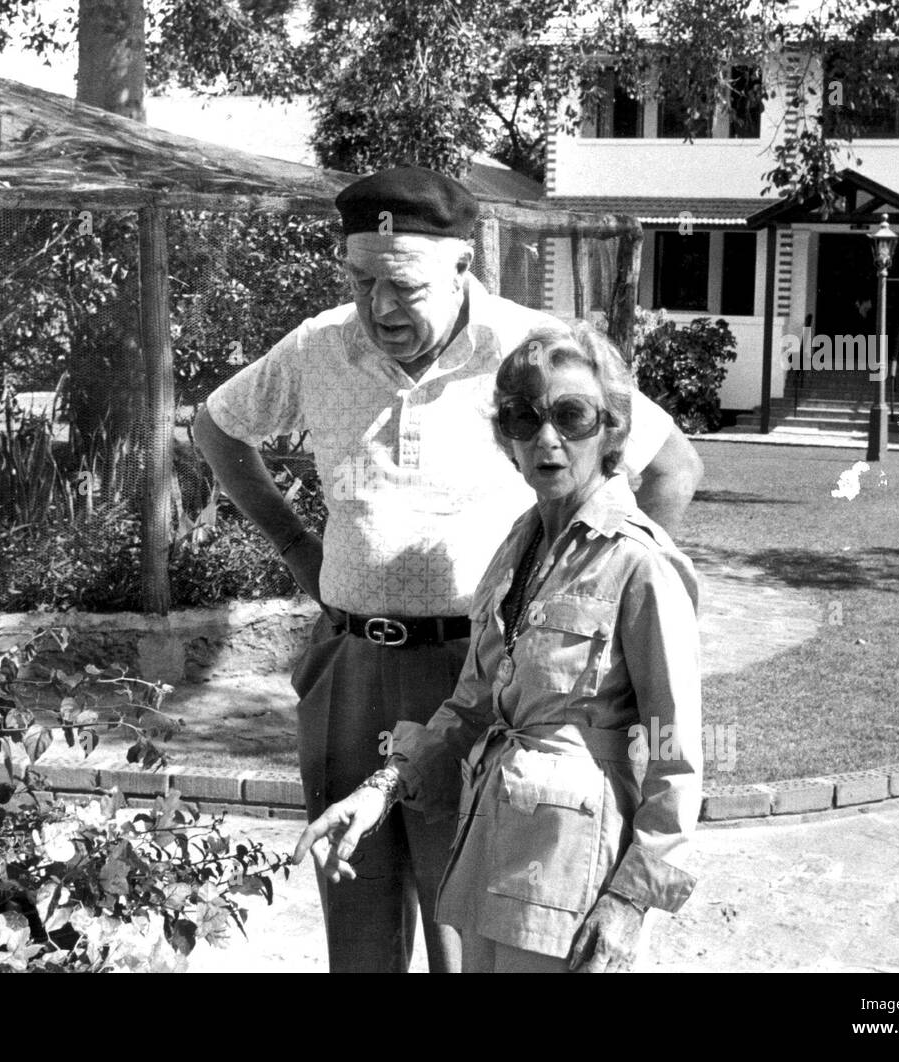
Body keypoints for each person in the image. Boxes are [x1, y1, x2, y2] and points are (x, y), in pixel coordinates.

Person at [194, 166, 703, 973]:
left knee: (462, 933)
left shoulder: (532, 357)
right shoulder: (320, 346)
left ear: (464, 266)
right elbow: (216, 427)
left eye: (402, 286)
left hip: (478, 683)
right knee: (355, 927)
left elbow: (671, 467)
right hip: (348, 669)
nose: (380, 308)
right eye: (361, 281)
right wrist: (300, 551)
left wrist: (595, 595)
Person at [292, 322, 702, 973]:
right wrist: (381, 788)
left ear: (614, 428)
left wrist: (628, 903)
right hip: (488, 853)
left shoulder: (639, 565)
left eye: (570, 416)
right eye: (522, 416)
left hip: (574, 875)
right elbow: (472, 702)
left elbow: (675, 752)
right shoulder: (519, 545)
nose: (545, 438)